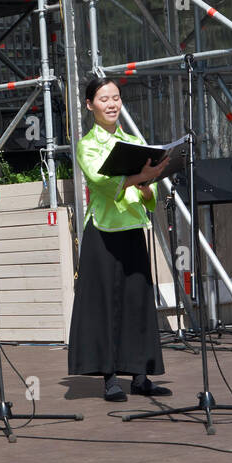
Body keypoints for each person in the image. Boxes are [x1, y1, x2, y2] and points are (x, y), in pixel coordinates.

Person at [67, 77, 172, 402]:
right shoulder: (87, 144)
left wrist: (147, 185)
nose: (111, 104)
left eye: (116, 97)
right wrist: (141, 176)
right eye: (104, 99)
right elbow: (101, 181)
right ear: (90, 105)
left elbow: (150, 194)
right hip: (103, 232)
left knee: (137, 302)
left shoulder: (133, 140)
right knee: (105, 305)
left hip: (132, 230)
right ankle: (110, 377)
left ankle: (140, 375)